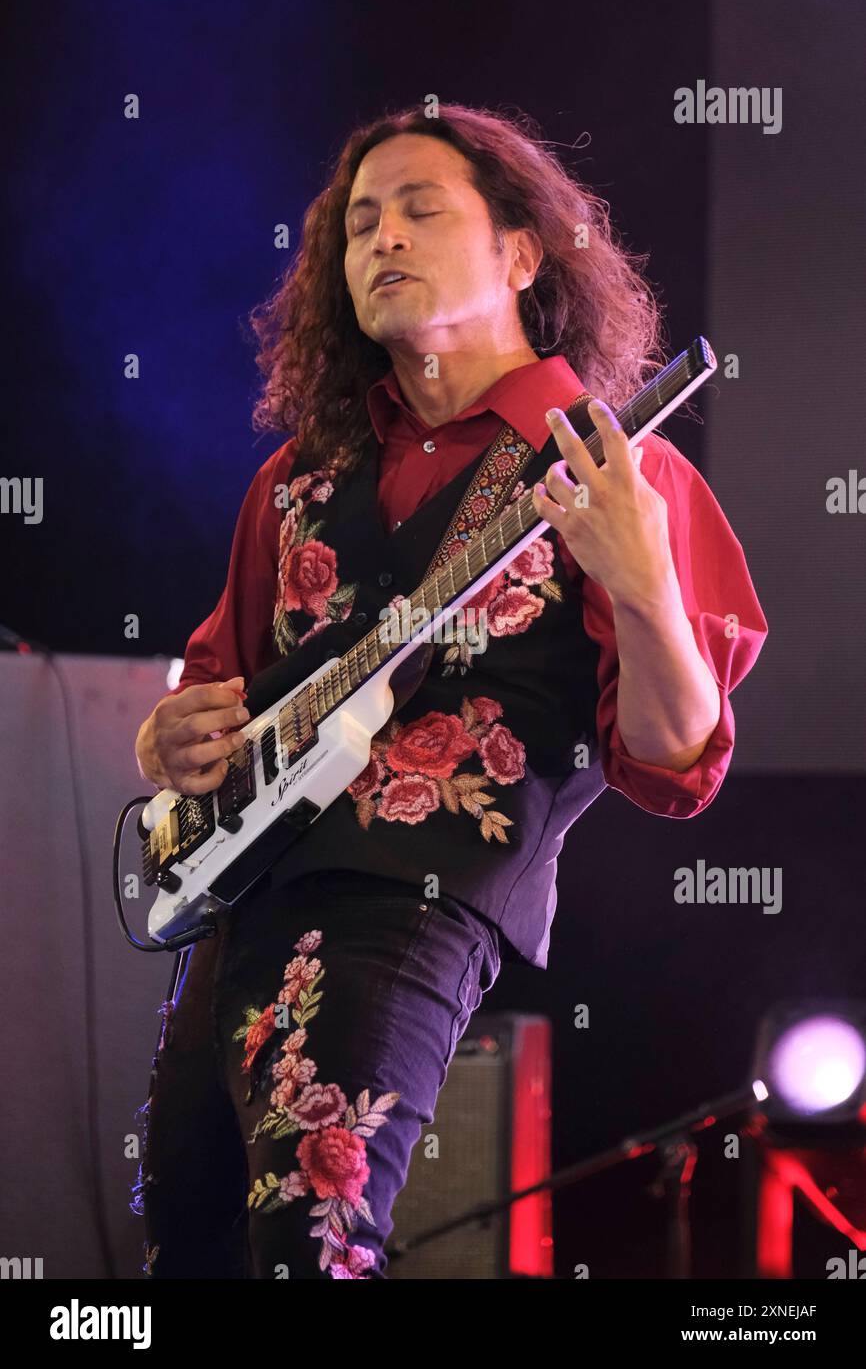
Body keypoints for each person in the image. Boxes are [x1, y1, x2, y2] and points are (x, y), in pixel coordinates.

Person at [130, 103, 767, 1279]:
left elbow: (678, 757)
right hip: (245, 901)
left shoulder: (615, 463)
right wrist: (171, 732)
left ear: (521, 255)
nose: (382, 239)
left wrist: (642, 587)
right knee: (186, 1243)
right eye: (360, 223)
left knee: (313, 1236)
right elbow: (215, 684)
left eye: (421, 210)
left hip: (413, 900)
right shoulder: (295, 480)